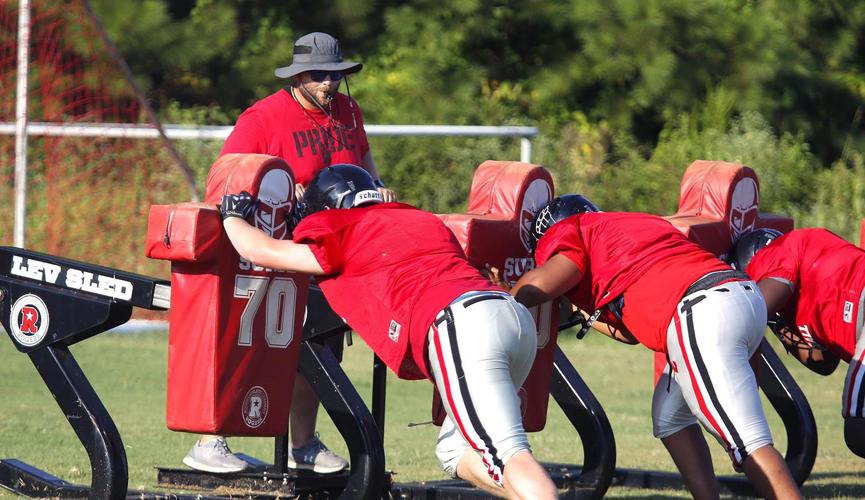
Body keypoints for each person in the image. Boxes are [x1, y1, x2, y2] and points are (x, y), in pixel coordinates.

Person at [216, 164, 558, 499]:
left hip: (463, 324)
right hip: (511, 317)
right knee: (456, 451)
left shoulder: (342, 228)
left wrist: (232, 217)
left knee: (508, 453)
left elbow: (261, 251)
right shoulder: (416, 218)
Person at [496, 195, 802, 500]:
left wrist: (504, 295)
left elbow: (548, 280)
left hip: (702, 312)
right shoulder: (630, 226)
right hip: (740, 295)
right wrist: (580, 307)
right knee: (670, 416)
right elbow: (628, 332)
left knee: (746, 441)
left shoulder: (573, 229)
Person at [184, 31, 393, 474]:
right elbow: (224, 181)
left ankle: (304, 446)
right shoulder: (262, 118)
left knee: (321, 346)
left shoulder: (349, 113)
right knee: (250, 341)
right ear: (297, 75)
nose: (329, 83)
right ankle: (210, 440)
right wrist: (279, 194)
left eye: (336, 74)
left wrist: (378, 193)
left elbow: (366, 171)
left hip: (330, 252)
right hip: (268, 249)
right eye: (319, 75)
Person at [731, 227, 865, 460]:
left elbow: (749, 312)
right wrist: (779, 326)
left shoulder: (779, 251)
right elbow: (824, 363)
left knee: (858, 428)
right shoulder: (803, 296)